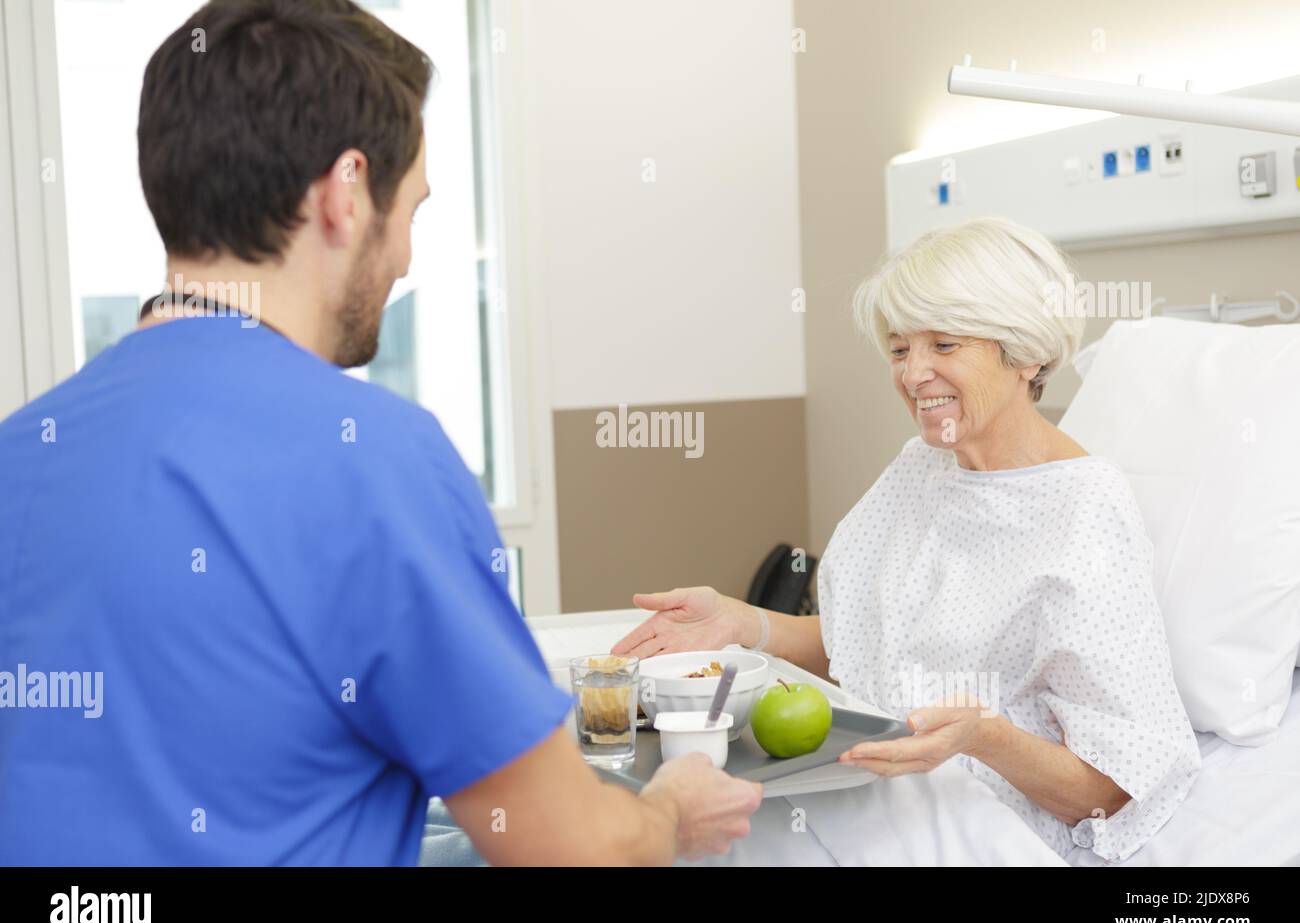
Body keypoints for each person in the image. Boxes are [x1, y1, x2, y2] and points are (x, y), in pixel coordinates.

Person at [0, 0, 760, 866]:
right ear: (346, 192)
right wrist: (667, 813)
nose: (406, 257)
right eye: (413, 209)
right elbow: (573, 850)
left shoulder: (22, 449)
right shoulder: (373, 455)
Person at [614, 217, 1201, 864]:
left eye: (945, 345)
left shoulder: (1085, 512)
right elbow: (869, 644)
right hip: (870, 782)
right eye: (899, 349)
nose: (914, 374)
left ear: (1027, 352)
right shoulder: (921, 468)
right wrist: (742, 623)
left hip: (982, 822)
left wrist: (980, 737)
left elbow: (1110, 790)